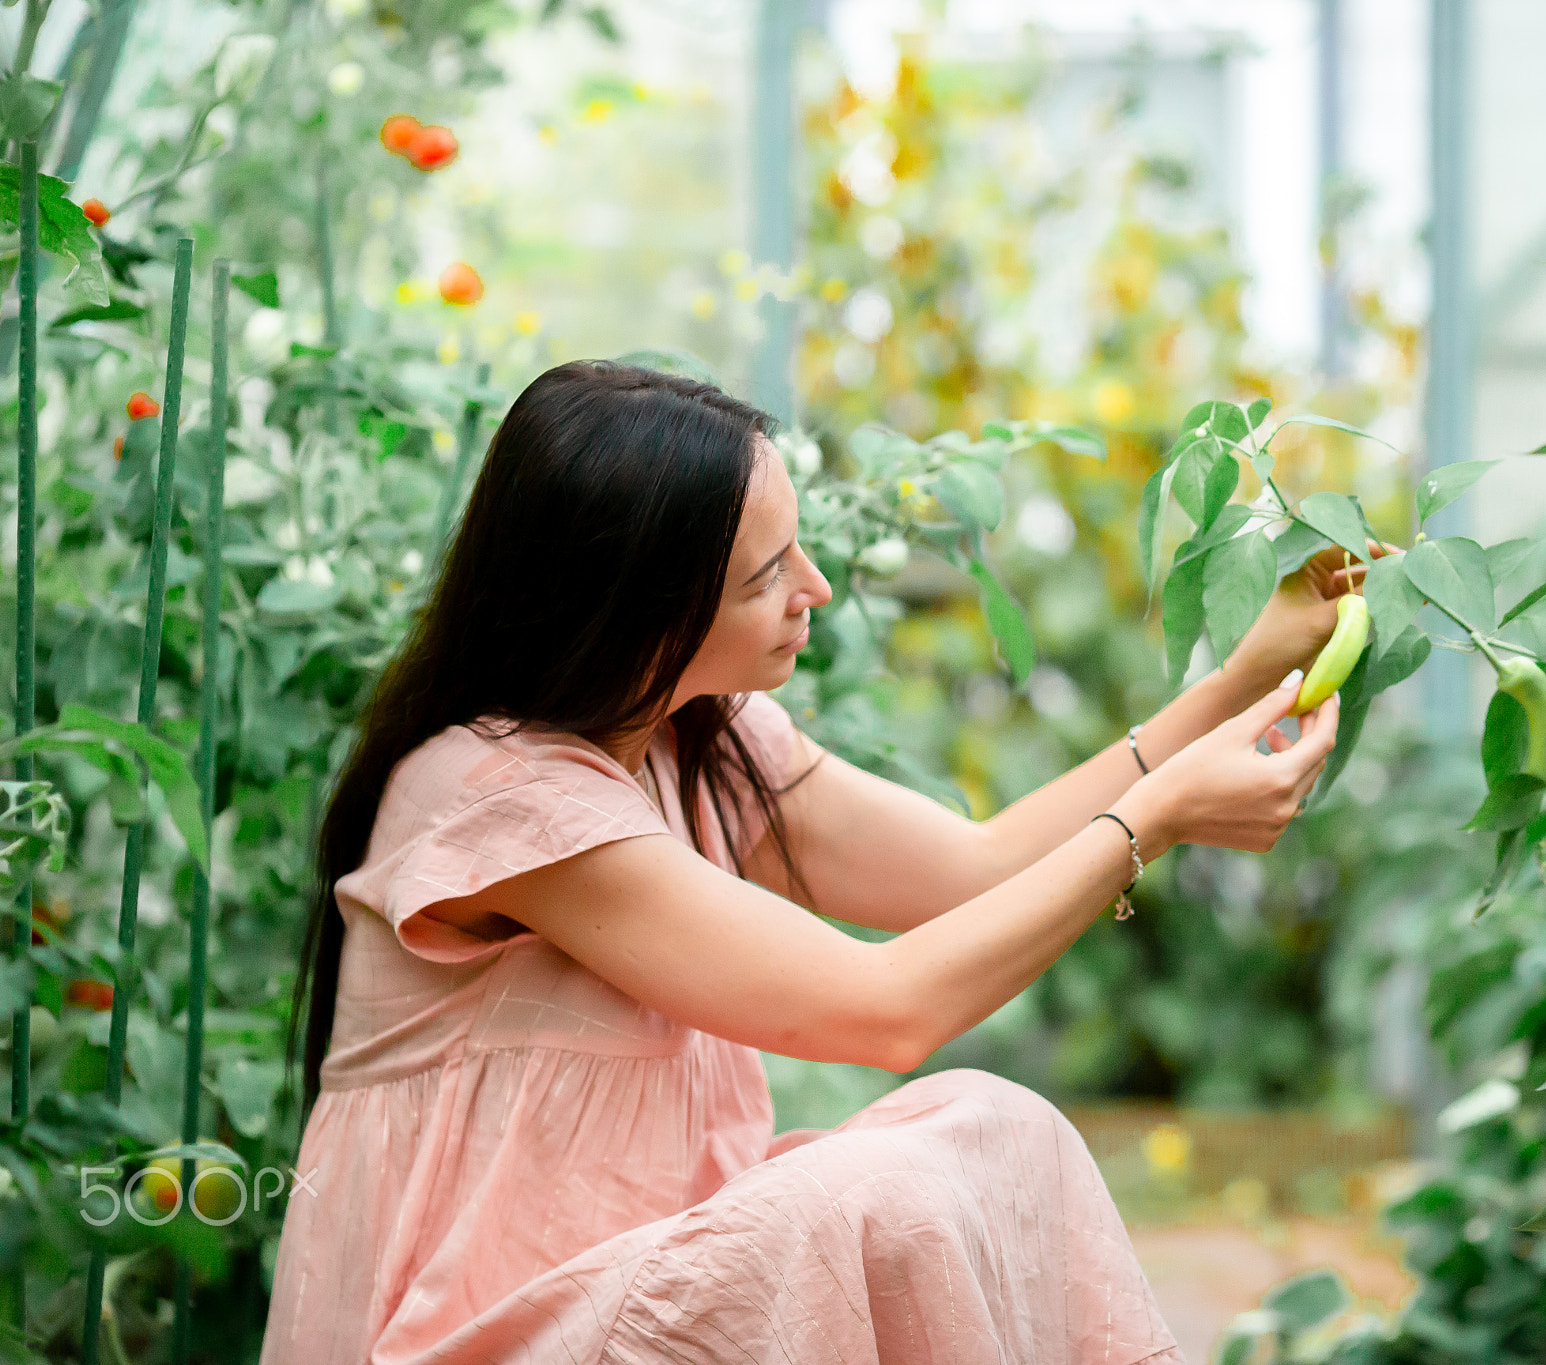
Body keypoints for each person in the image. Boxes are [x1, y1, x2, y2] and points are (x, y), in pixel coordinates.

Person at [264, 360, 1361, 1365]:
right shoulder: (500, 801)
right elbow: (881, 1011)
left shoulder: (699, 740)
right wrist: (1153, 822)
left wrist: (1237, 683)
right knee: (883, 1190)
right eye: (766, 574)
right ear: (636, 615)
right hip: (484, 1335)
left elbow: (974, 870)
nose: (817, 588)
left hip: (632, 1305)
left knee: (990, 1135)